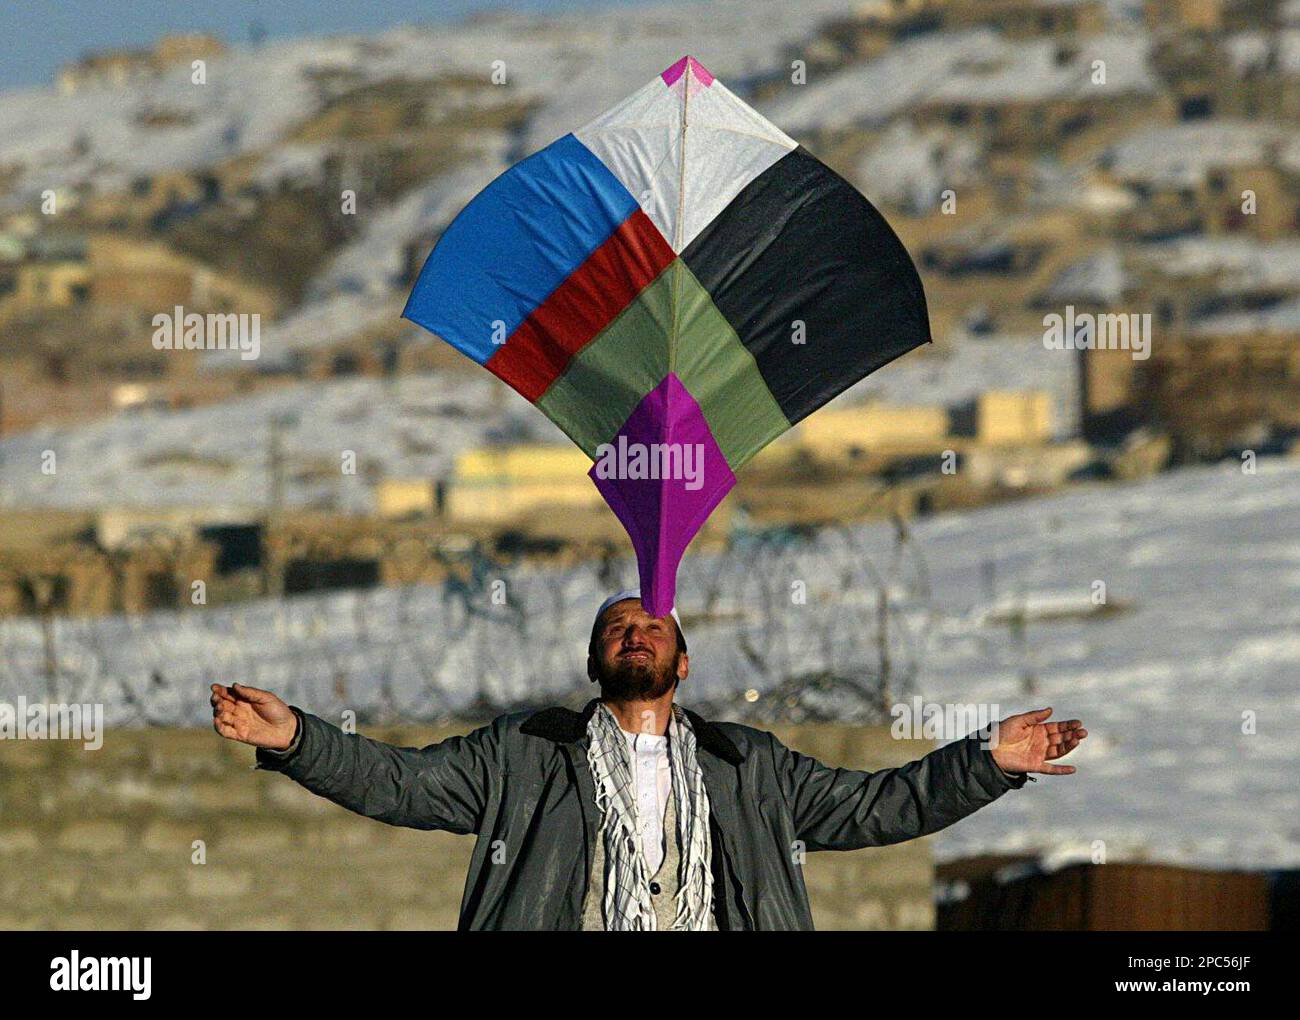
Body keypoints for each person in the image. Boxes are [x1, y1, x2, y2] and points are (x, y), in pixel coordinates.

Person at [211, 589, 1086, 930]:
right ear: (595, 663)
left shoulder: (750, 767)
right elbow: (396, 783)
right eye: (617, 630)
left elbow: (878, 807)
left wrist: (987, 758)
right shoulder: (523, 756)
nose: (636, 636)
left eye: (653, 627)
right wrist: (297, 738)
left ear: (684, 663)